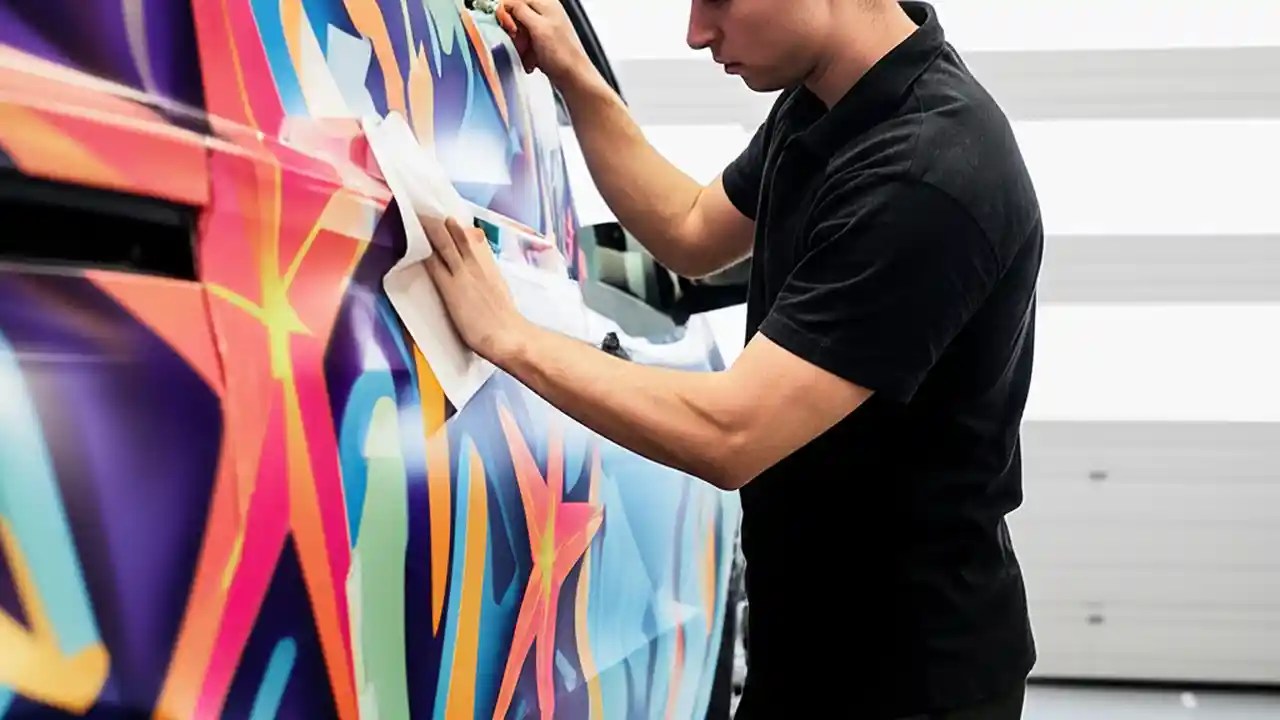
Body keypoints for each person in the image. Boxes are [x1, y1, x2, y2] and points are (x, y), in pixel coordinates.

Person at [419, 0, 1042, 717]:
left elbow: (729, 435)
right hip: (814, 649)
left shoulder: (926, 174)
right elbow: (689, 228)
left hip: (906, 681)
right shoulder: (828, 103)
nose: (697, 32)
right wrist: (574, 75)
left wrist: (510, 336)